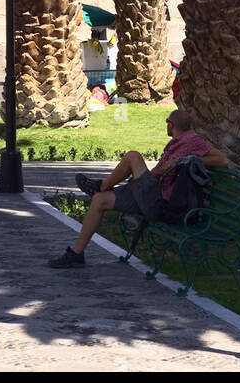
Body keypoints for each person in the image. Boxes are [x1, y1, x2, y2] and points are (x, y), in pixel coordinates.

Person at [47, 109, 229, 268]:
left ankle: (100, 186)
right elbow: (159, 173)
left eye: (167, 123)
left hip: (162, 203)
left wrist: (188, 159)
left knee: (133, 157)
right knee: (99, 200)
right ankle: (76, 254)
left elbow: (222, 160)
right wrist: (172, 165)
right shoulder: (177, 142)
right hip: (151, 195)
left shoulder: (193, 140)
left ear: (171, 124)